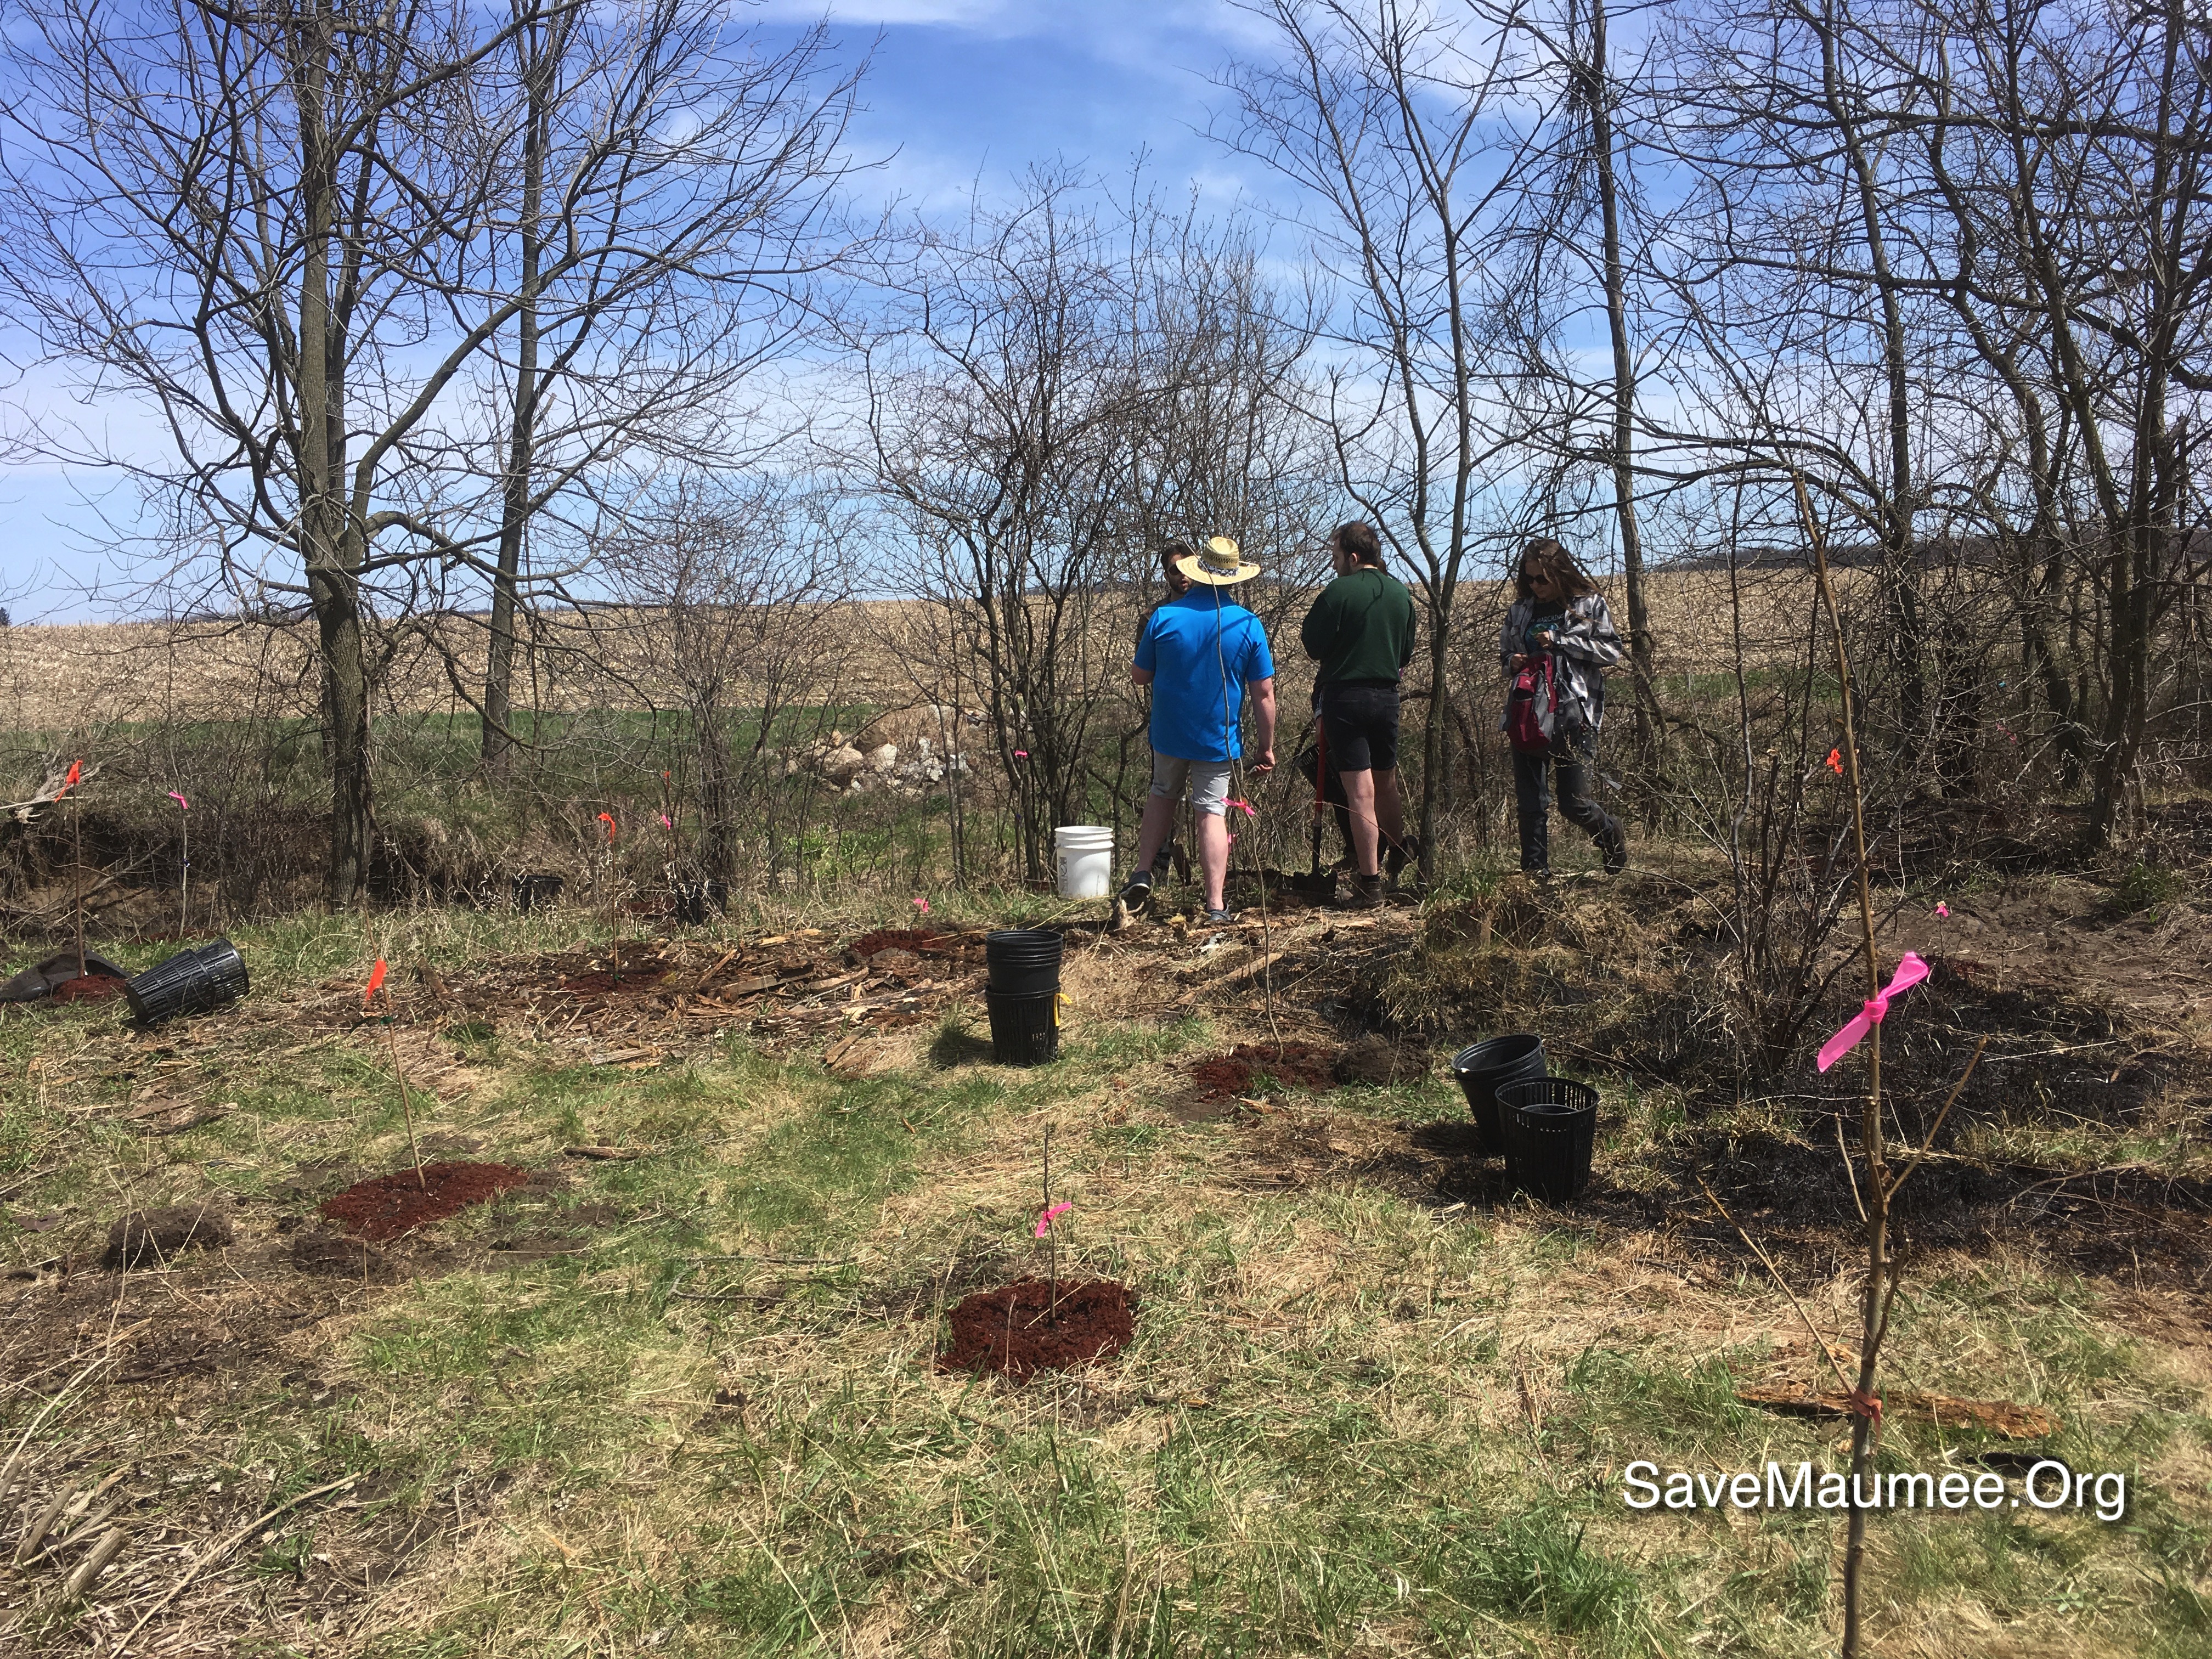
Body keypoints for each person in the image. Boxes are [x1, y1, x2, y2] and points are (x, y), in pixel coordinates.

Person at [1119, 537, 1277, 923]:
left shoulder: (1164, 617)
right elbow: (1264, 693)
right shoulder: (1247, 624)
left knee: (1162, 794)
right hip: (1218, 738)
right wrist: (1266, 747)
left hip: (1170, 733)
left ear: (1200, 571)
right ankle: (1215, 905)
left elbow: (1139, 676)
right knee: (1211, 812)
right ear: (1234, 577)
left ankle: (1142, 873)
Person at [1301, 521, 1417, 909]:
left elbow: (1313, 645)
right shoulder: (1400, 593)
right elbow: (1405, 653)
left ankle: (1370, 883)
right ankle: (1399, 851)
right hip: (1387, 697)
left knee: (1359, 791)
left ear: (1353, 557)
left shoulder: (1338, 591)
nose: (1335, 566)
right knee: (1386, 783)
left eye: (1336, 557)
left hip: (1346, 697)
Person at [1499, 537, 1628, 878]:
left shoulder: (1588, 604)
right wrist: (1512, 661)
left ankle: (1609, 832)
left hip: (1575, 713)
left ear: (1560, 573)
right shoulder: (1520, 610)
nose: (1535, 585)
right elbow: (1505, 654)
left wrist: (1560, 640)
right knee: (1530, 802)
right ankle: (1535, 873)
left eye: (1542, 578)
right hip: (1528, 712)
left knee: (1574, 803)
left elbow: (1611, 652)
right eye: (1529, 578)